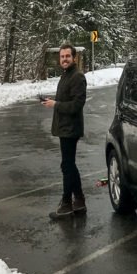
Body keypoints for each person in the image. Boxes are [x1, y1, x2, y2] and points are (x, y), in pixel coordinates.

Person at [42, 43, 87, 219]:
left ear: (74, 58)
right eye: (62, 57)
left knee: (67, 166)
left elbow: (77, 104)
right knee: (68, 165)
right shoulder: (67, 75)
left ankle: (67, 203)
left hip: (71, 129)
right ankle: (79, 201)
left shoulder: (77, 77)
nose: (64, 59)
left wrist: (56, 104)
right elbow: (66, 99)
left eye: (67, 56)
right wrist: (53, 101)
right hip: (64, 128)